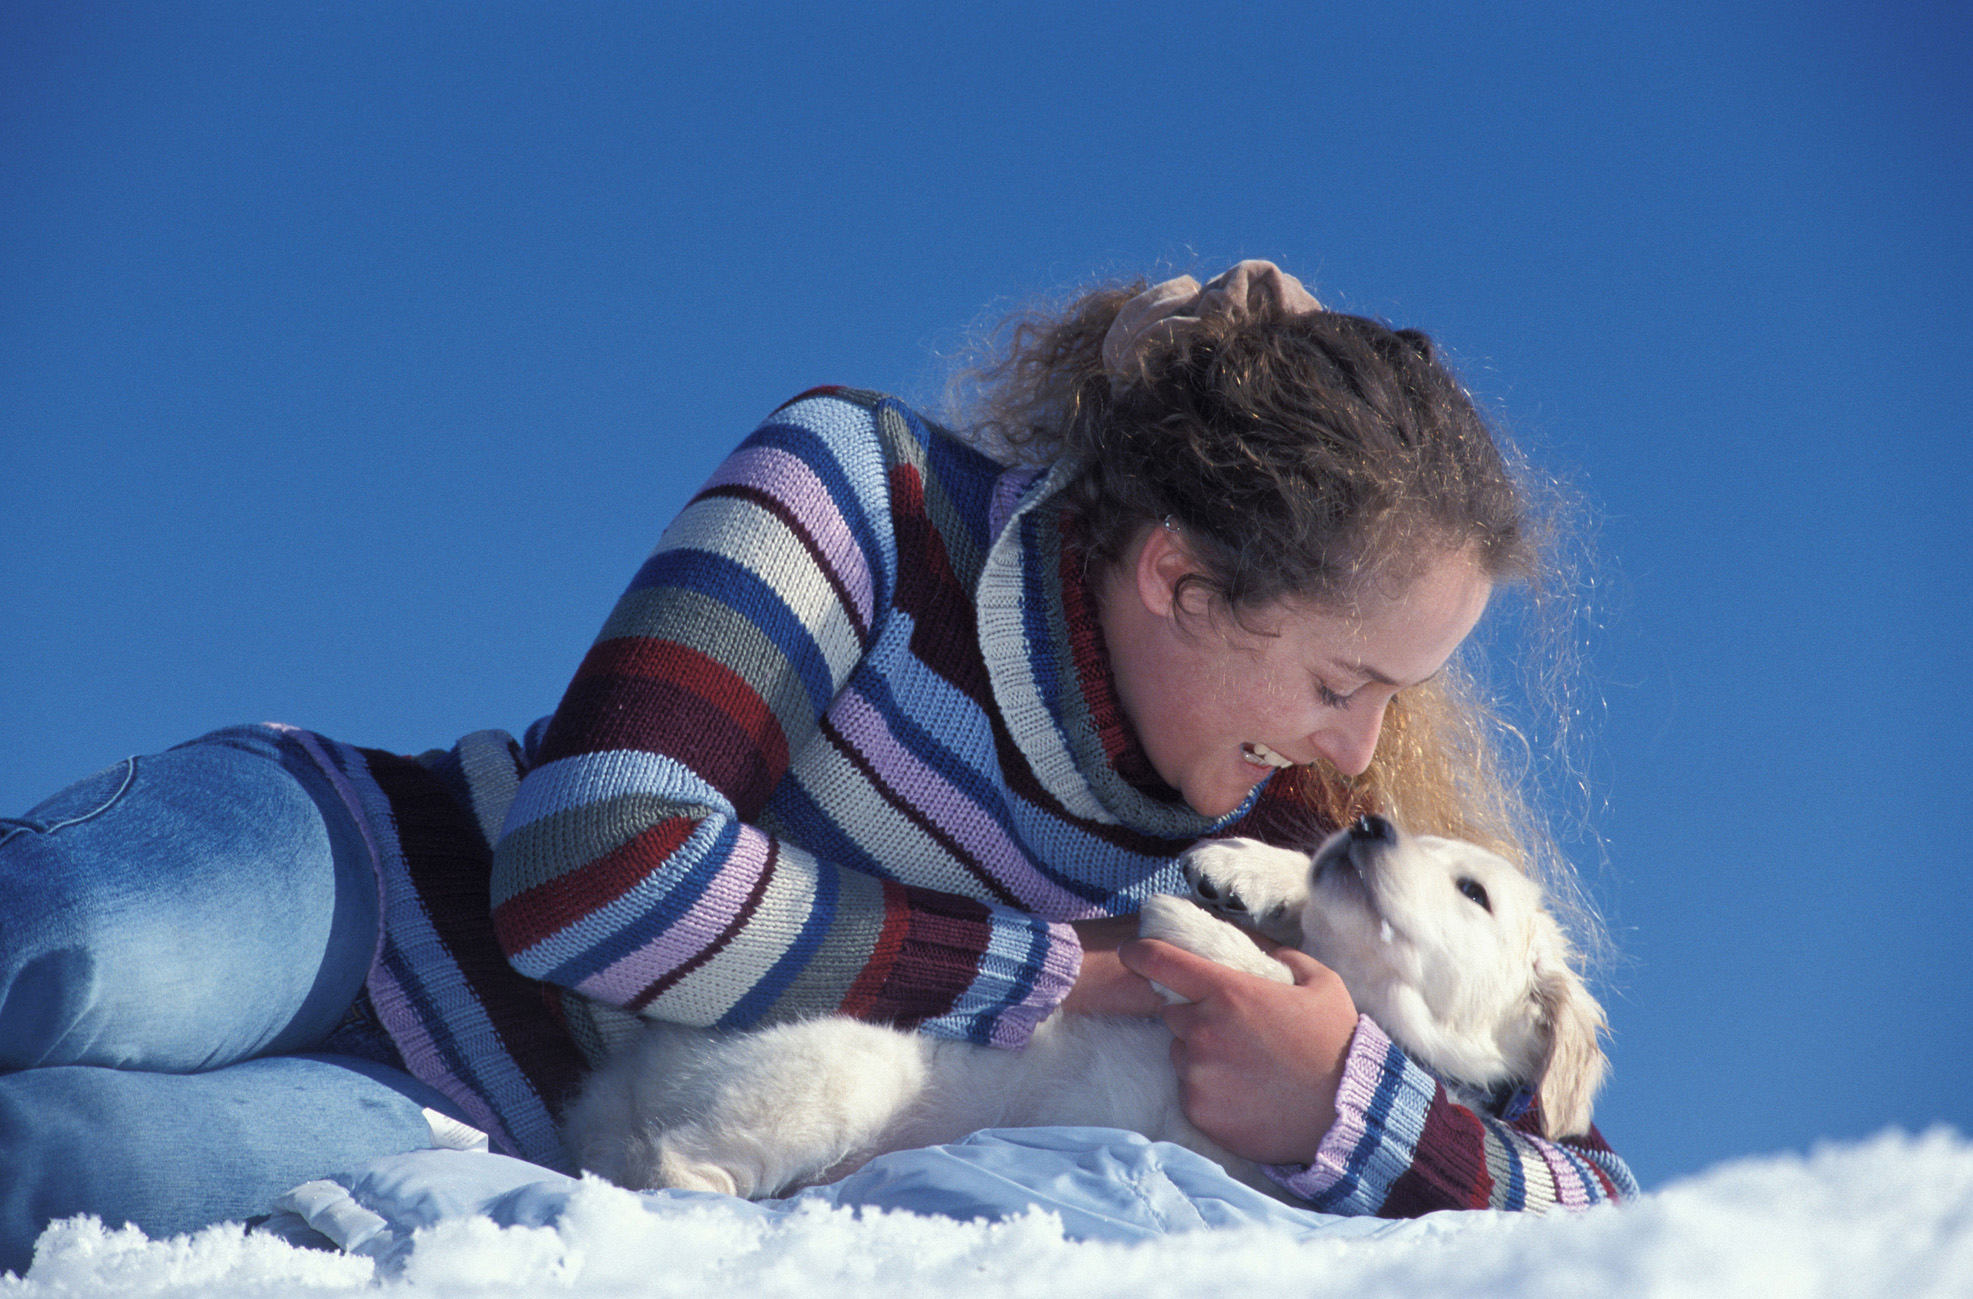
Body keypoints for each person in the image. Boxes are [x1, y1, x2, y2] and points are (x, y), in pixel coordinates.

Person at [0, 262, 1635, 1273]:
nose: (1363, 759)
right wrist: (1056, 967)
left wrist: (1330, 1095)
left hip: (493, 1133)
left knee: (62, 1166)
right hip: (372, 873)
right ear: (1178, 580)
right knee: (71, 953)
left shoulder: (1275, 848)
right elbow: (590, 866)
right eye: (1343, 680)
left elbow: (1600, 1205)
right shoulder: (875, 497)